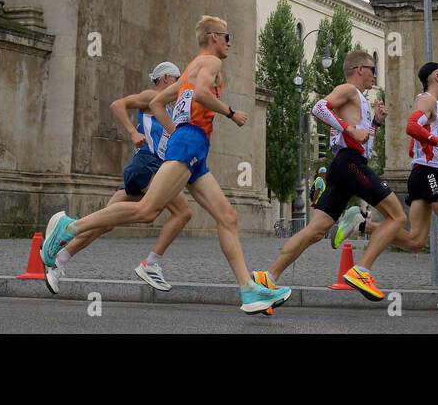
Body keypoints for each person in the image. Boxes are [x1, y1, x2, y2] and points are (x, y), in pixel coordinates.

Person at [40, 16, 291, 315]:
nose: (229, 43)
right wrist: (230, 112)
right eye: (227, 37)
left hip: (193, 147)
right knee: (146, 210)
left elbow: (159, 103)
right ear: (213, 37)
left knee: (228, 216)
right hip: (191, 143)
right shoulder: (211, 63)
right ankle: (70, 227)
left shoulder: (189, 69)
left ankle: (248, 291)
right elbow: (200, 94)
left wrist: (175, 130)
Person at [254, 50, 406, 302]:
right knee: (397, 216)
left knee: (315, 231)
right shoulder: (347, 89)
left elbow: (362, 138)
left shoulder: (359, 99)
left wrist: (375, 124)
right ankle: (362, 270)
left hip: (344, 165)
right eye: (373, 68)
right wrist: (349, 129)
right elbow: (318, 107)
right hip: (350, 164)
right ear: (359, 69)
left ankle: (268, 277)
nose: (375, 74)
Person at [45, 61, 194, 294]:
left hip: (149, 167)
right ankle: (151, 264)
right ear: (165, 79)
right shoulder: (151, 96)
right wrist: (133, 132)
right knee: (183, 211)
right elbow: (117, 105)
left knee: (105, 223)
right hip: (148, 164)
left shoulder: (171, 107)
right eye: (176, 80)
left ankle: (57, 260)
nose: (178, 86)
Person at [360, 62, 438, 315]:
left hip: (424, 171)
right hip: (430, 174)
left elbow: (416, 147)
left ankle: (362, 225)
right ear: (436, 77)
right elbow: (411, 127)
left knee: (416, 240)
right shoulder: (427, 100)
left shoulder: (431, 104)